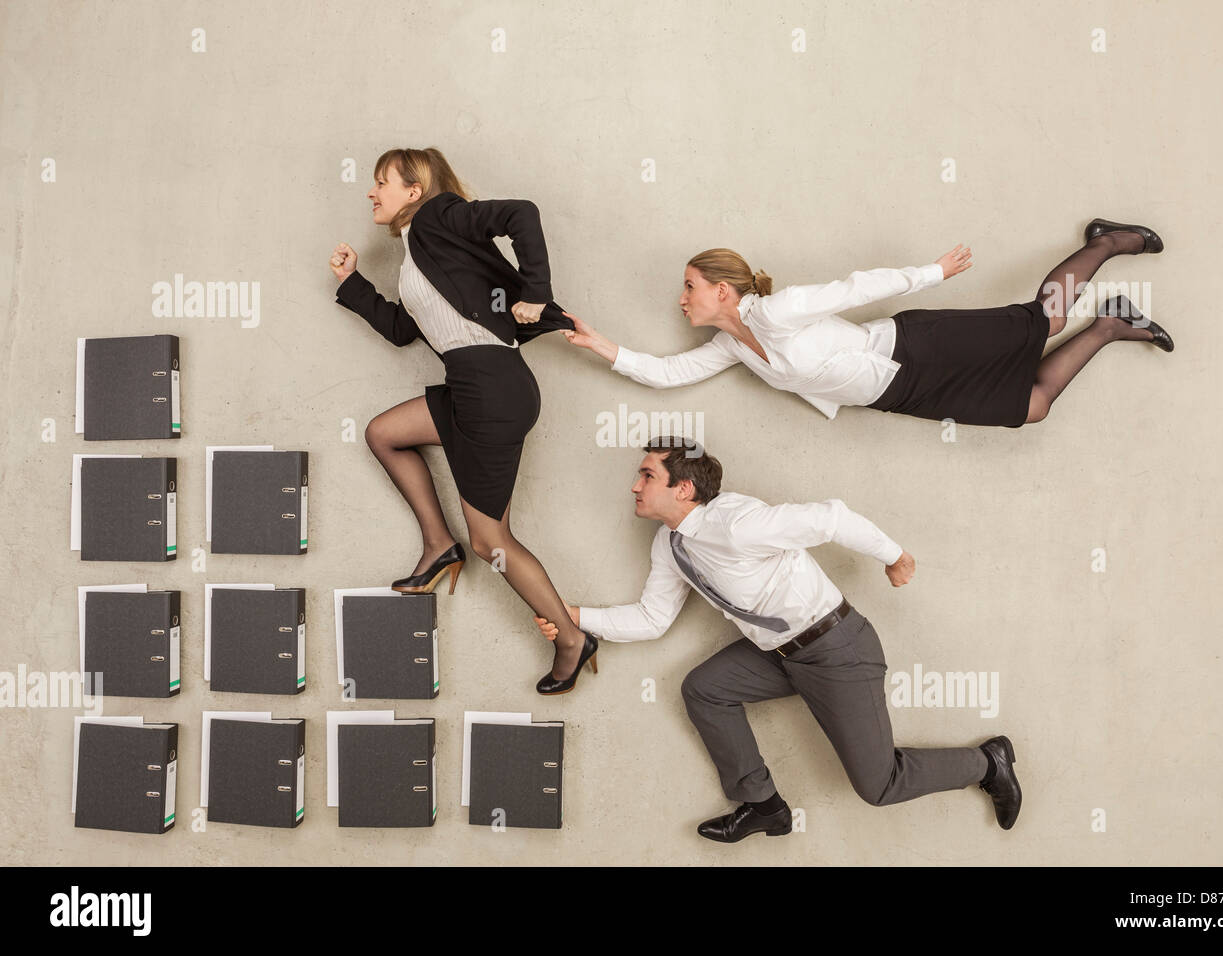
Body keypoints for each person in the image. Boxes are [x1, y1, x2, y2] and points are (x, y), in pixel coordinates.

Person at [533, 437, 1022, 841]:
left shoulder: (737, 522)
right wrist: (574, 615)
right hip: (778, 654)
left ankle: (987, 763)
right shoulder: (670, 542)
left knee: (878, 786)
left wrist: (894, 555)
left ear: (683, 488)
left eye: (646, 476)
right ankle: (764, 805)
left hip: (835, 650)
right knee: (704, 689)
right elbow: (653, 618)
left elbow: (832, 518)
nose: (633, 486)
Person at [330, 146, 596, 695]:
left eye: (381, 181)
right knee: (384, 434)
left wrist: (536, 295)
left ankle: (570, 638)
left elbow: (522, 212)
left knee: (490, 538)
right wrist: (354, 282)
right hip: (470, 384)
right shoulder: (420, 252)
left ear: (415, 189)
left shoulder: (440, 214)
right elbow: (406, 331)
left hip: (492, 388)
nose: (370, 192)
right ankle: (436, 544)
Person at [560, 218, 1173, 427]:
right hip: (897, 394)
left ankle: (1106, 242)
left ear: (724, 289)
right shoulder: (733, 346)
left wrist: (931, 273)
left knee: (1039, 322)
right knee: (1030, 408)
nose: (681, 299)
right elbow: (667, 374)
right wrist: (601, 346)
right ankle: (1110, 326)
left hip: (914, 349)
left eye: (689, 287)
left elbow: (852, 289)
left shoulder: (773, 313)